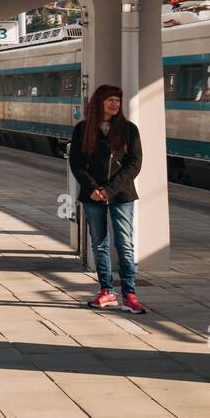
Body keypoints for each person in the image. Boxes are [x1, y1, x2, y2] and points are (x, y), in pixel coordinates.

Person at [69, 85, 145, 313]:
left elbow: (135, 163)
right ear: (99, 102)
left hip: (121, 194)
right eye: (110, 100)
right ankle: (106, 291)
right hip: (92, 195)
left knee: (124, 244)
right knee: (99, 244)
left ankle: (129, 294)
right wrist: (92, 187)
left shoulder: (128, 130)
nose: (114, 104)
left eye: (117, 101)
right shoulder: (83, 129)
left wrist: (109, 190)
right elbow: (76, 163)